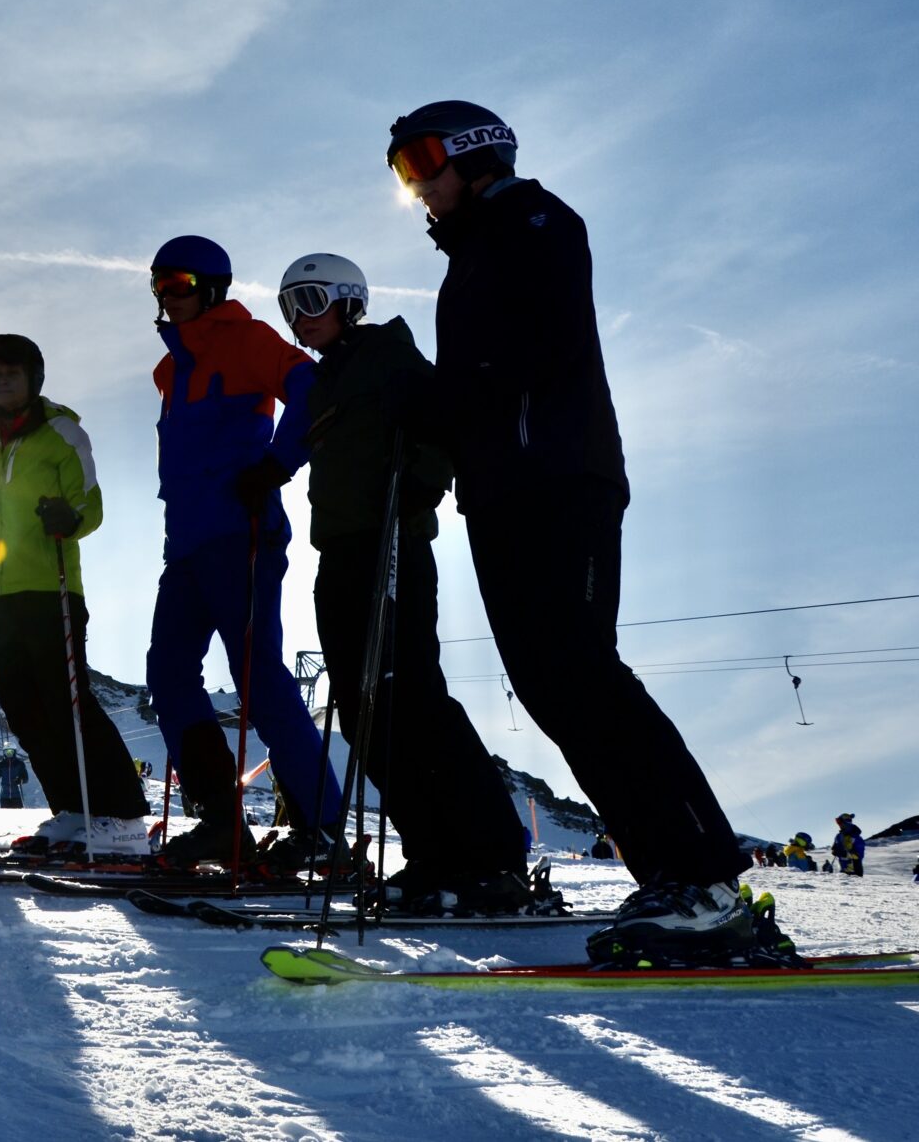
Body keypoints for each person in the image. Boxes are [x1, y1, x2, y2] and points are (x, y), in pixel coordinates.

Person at [388, 100, 763, 962]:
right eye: (402, 172)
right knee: (550, 684)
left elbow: (531, 353)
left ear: (477, 155)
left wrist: (440, 394)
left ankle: (704, 878)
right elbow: (477, 384)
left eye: (422, 163)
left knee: (581, 671)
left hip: (559, 477)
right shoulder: (470, 256)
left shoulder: (536, 221)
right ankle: (670, 874)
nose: (415, 187)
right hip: (503, 490)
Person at [275, 253, 531, 912]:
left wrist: (428, 475)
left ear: (347, 300)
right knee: (365, 715)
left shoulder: (390, 355)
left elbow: (447, 418)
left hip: (393, 539)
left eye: (309, 300)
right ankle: (435, 854)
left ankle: (492, 856)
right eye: (289, 307)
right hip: (339, 552)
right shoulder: (324, 382)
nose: (299, 319)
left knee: (410, 696)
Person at [142, 236, 342, 869]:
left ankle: (326, 829)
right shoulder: (173, 371)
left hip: (242, 533)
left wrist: (278, 465)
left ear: (211, 287)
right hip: (189, 544)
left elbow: (313, 387)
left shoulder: (246, 339)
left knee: (256, 677)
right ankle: (223, 822)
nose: (166, 296)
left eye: (177, 283)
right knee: (168, 673)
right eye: (158, 285)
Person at [0, 333, 149, 854]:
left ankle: (124, 817)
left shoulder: (61, 432)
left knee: (67, 703)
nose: (2, 381)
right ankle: (74, 809)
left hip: (51, 588)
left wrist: (70, 518)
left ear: (33, 378)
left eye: (12, 373)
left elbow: (90, 502)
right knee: (24, 710)